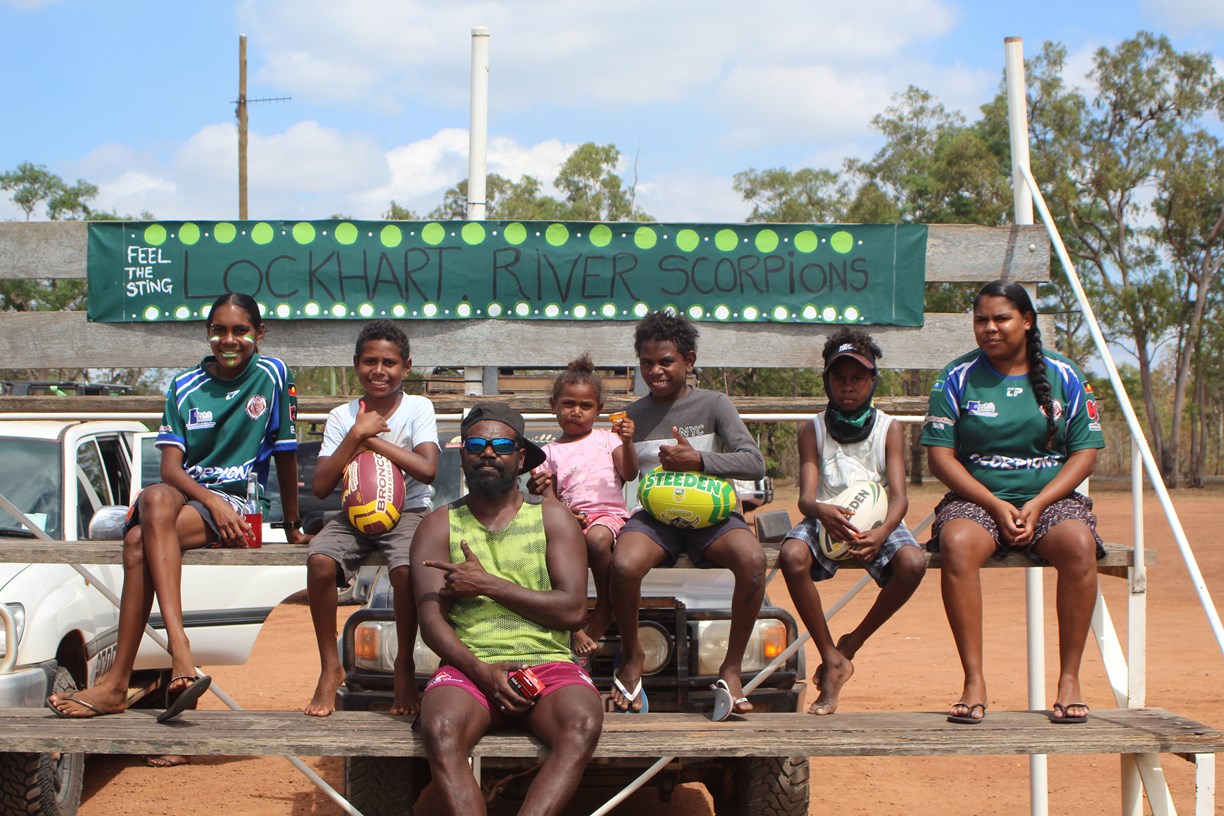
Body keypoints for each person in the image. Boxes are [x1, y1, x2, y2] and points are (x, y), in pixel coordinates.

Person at [48, 292, 306, 723]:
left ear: (259, 334)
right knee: (151, 497)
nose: (229, 339)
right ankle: (180, 649)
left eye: (240, 330)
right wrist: (208, 500)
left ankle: (116, 682)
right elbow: (171, 468)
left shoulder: (274, 375)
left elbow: (286, 454)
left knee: (135, 543)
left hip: (239, 502)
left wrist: (293, 524)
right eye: (218, 330)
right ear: (207, 333)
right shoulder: (184, 386)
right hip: (193, 495)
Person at [922, 280, 1105, 725]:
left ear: (1026, 321)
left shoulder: (1065, 376)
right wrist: (994, 503)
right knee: (958, 543)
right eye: (981, 320)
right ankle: (974, 680)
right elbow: (940, 458)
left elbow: (1086, 453)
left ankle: (1069, 680)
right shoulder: (956, 376)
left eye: (1001, 318)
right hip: (977, 499)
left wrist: (1039, 503)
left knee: (1080, 544)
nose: (990, 328)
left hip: (1051, 499)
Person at [413, 402, 602, 816]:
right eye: (476, 444)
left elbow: (572, 612)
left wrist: (488, 585)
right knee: (440, 728)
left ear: (520, 458)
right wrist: (482, 671)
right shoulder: (437, 525)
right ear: (462, 454)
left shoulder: (553, 519)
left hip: (548, 663)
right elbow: (430, 623)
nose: (488, 453)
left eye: (501, 445)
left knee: (582, 723)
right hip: (469, 667)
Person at [609, 311, 766, 717]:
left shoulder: (715, 404)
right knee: (624, 566)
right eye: (647, 363)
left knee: (752, 561)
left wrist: (698, 460)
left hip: (711, 517)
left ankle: (731, 671)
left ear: (689, 361)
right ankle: (631, 657)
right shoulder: (632, 415)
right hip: (654, 518)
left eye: (666, 361)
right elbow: (622, 473)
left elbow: (753, 463)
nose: (655, 371)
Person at [778, 329, 926, 715]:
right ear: (826, 381)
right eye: (839, 377)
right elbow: (806, 497)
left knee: (912, 563)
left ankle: (852, 643)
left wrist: (883, 532)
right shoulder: (812, 429)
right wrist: (820, 511)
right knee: (792, 555)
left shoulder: (888, 428)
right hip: (827, 518)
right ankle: (832, 659)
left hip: (879, 519)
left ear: (873, 380)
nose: (848, 386)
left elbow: (899, 495)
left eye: (858, 377)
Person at [304, 319, 438, 717]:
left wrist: (372, 439)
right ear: (356, 364)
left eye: (389, 363)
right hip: (353, 513)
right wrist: (354, 435)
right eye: (369, 361)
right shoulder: (342, 416)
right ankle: (331, 665)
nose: (379, 371)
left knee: (404, 571)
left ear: (406, 368)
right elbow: (321, 486)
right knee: (320, 562)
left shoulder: (418, 407)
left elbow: (428, 469)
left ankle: (403, 665)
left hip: (410, 510)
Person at [529, 353, 637, 658]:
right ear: (553, 405)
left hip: (607, 516)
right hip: (570, 521)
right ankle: (573, 622)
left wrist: (628, 442)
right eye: (568, 404)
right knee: (542, 549)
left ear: (598, 410)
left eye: (585, 406)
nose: (576, 412)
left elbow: (629, 473)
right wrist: (564, 517)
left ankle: (605, 606)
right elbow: (547, 497)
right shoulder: (547, 452)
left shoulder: (608, 440)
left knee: (598, 539)